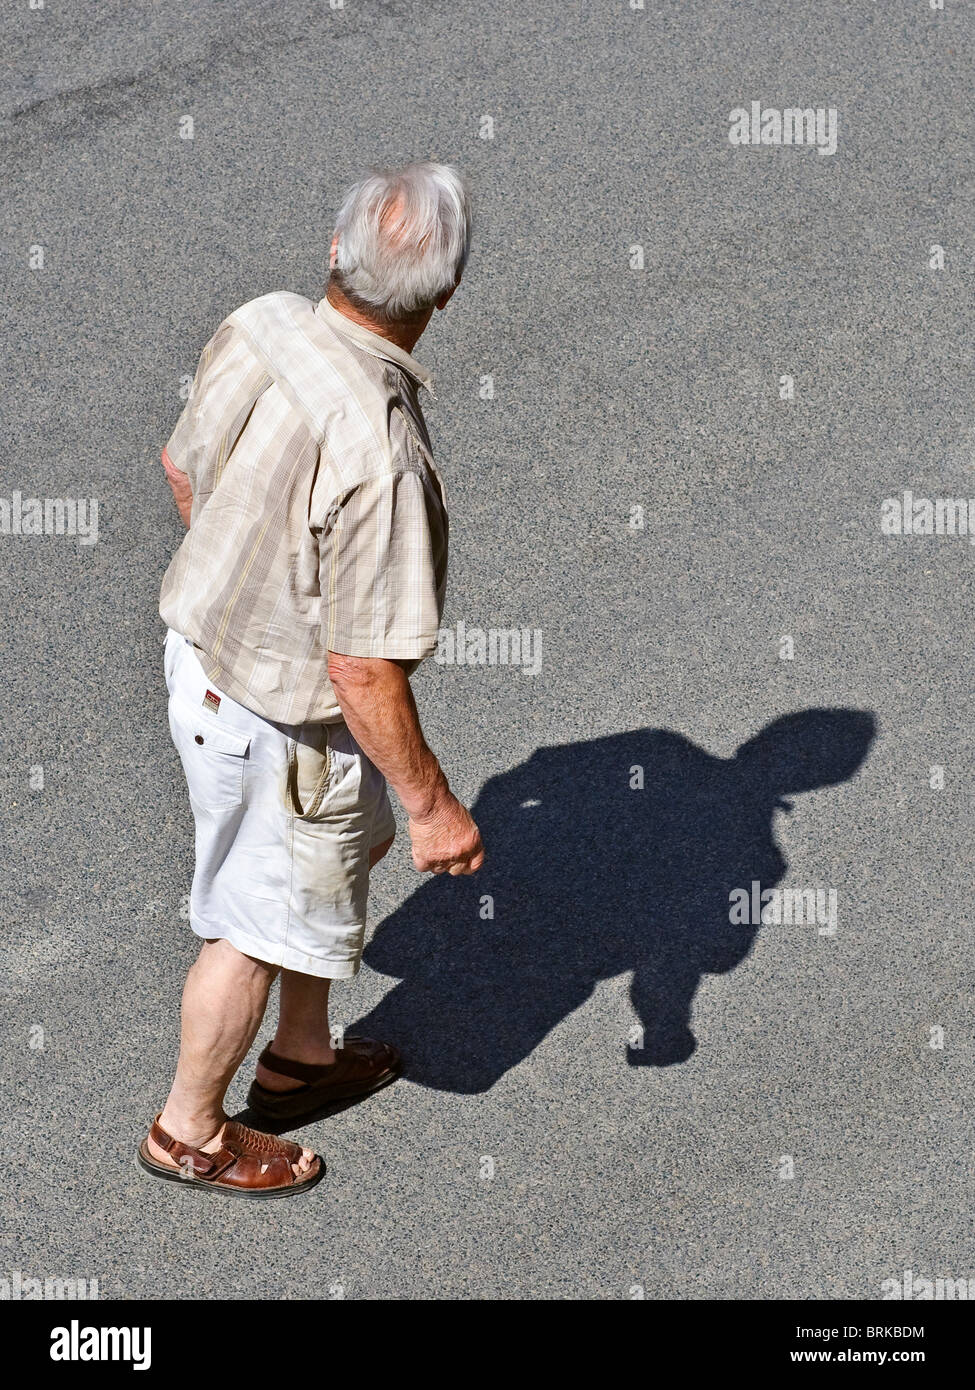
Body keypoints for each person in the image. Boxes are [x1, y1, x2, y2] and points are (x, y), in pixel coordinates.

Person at [138, 161, 484, 1199]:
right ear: (446, 294)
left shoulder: (262, 324)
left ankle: (299, 1056)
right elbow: (361, 665)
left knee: (324, 858)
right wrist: (435, 808)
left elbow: (182, 469)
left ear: (335, 251)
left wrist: (253, 574)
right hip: (277, 721)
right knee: (255, 923)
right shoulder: (381, 452)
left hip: (200, 658)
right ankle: (191, 1129)